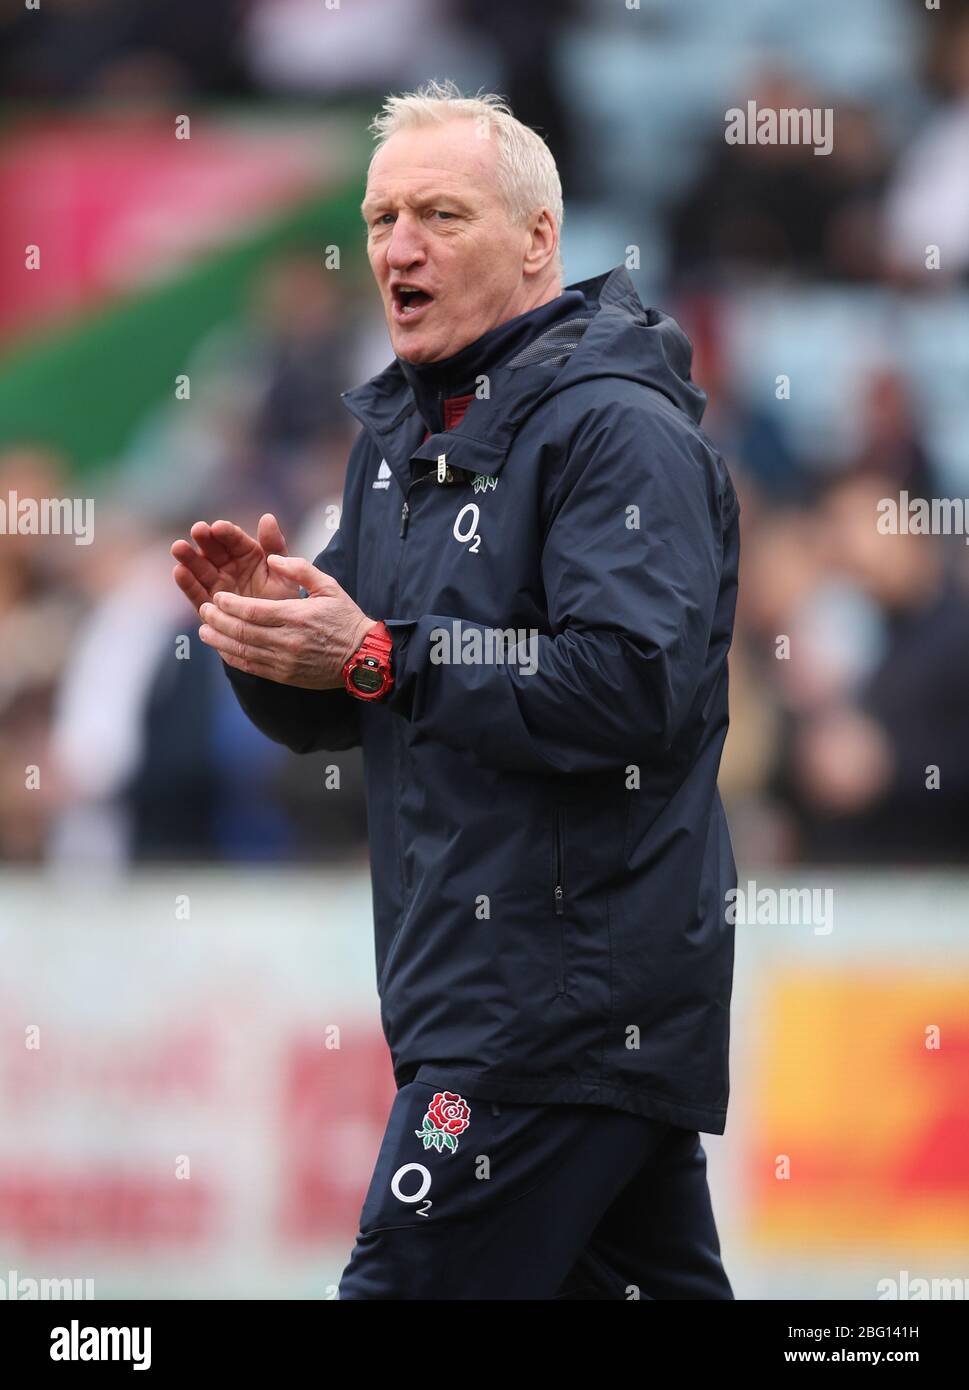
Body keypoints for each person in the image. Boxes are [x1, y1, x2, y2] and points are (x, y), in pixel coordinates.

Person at [171, 79, 740, 1300]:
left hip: (547, 1014)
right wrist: (265, 638)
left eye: (439, 213)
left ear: (539, 238)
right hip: (503, 1008)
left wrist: (375, 653)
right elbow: (349, 695)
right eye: (381, 220)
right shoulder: (402, 441)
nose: (398, 247)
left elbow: (632, 683)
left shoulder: (615, 430)